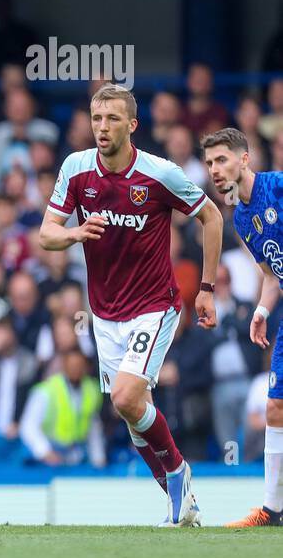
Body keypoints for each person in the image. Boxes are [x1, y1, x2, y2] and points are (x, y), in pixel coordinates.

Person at [40, 85, 222, 527]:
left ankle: (178, 473)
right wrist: (75, 234)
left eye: (112, 120)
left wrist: (207, 287)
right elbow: (47, 233)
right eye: (97, 118)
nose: (102, 127)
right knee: (129, 411)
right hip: (104, 313)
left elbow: (211, 216)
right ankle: (181, 501)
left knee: (126, 395)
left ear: (132, 125)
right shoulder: (76, 168)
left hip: (154, 307)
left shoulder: (159, 174)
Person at [203, 127, 283, 526]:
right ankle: (272, 510)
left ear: (245, 159)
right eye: (210, 164)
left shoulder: (279, 187)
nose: (215, 170)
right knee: (275, 405)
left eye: (222, 160)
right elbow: (271, 276)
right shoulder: (242, 218)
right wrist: (263, 311)